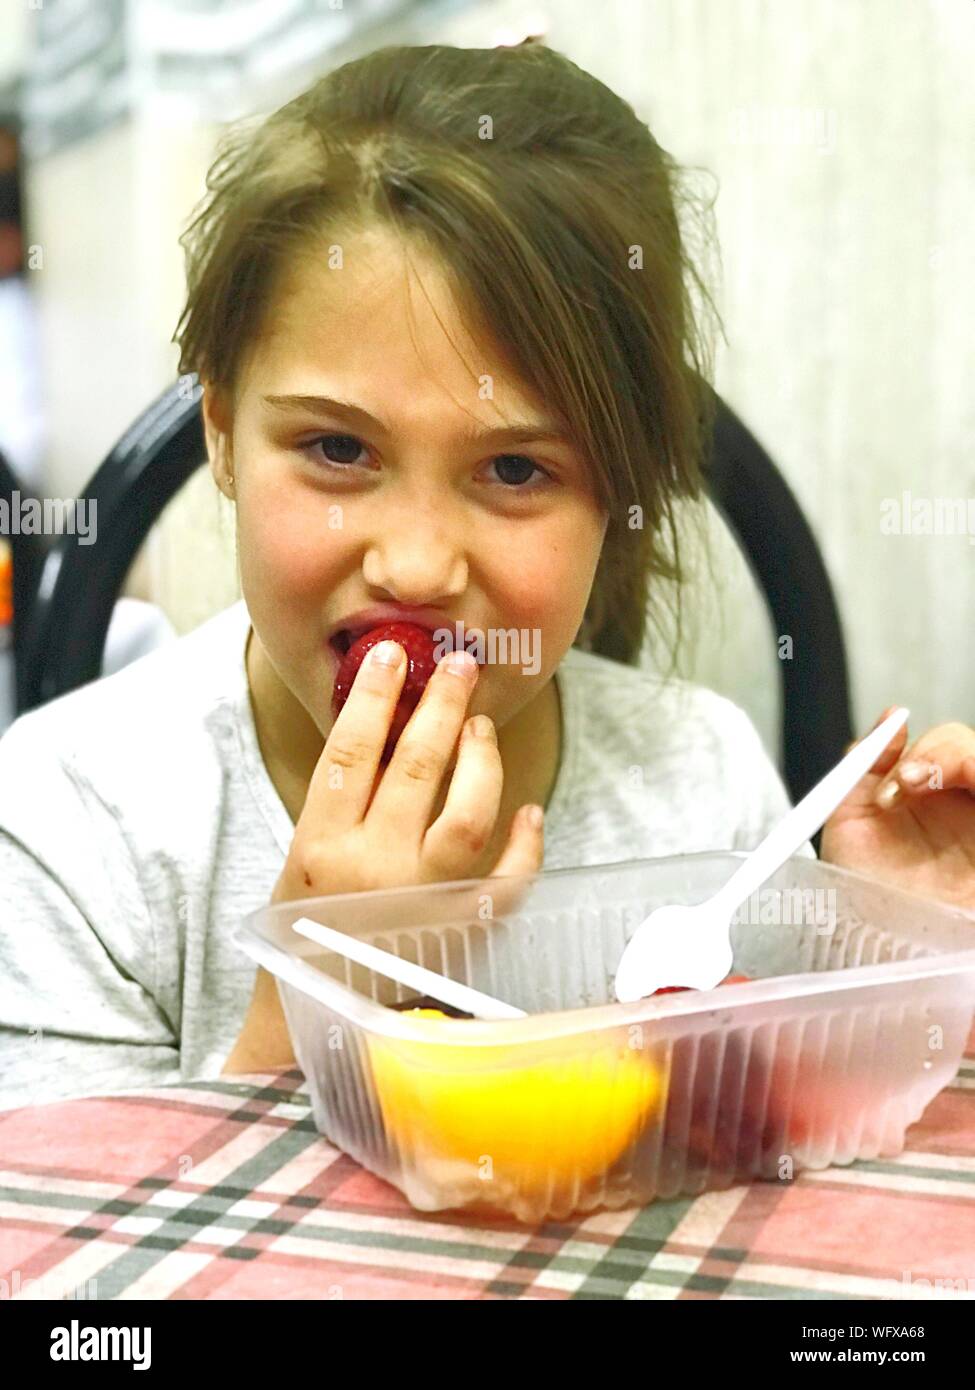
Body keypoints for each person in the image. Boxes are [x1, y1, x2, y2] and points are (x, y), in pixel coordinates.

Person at [1, 43, 972, 1113]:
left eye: (515, 470)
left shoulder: (698, 780)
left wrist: (905, 960)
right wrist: (325, 990)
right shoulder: (71, 820)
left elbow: (777, 1156)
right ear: (224, 434)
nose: (415, 566)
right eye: (336, 450)